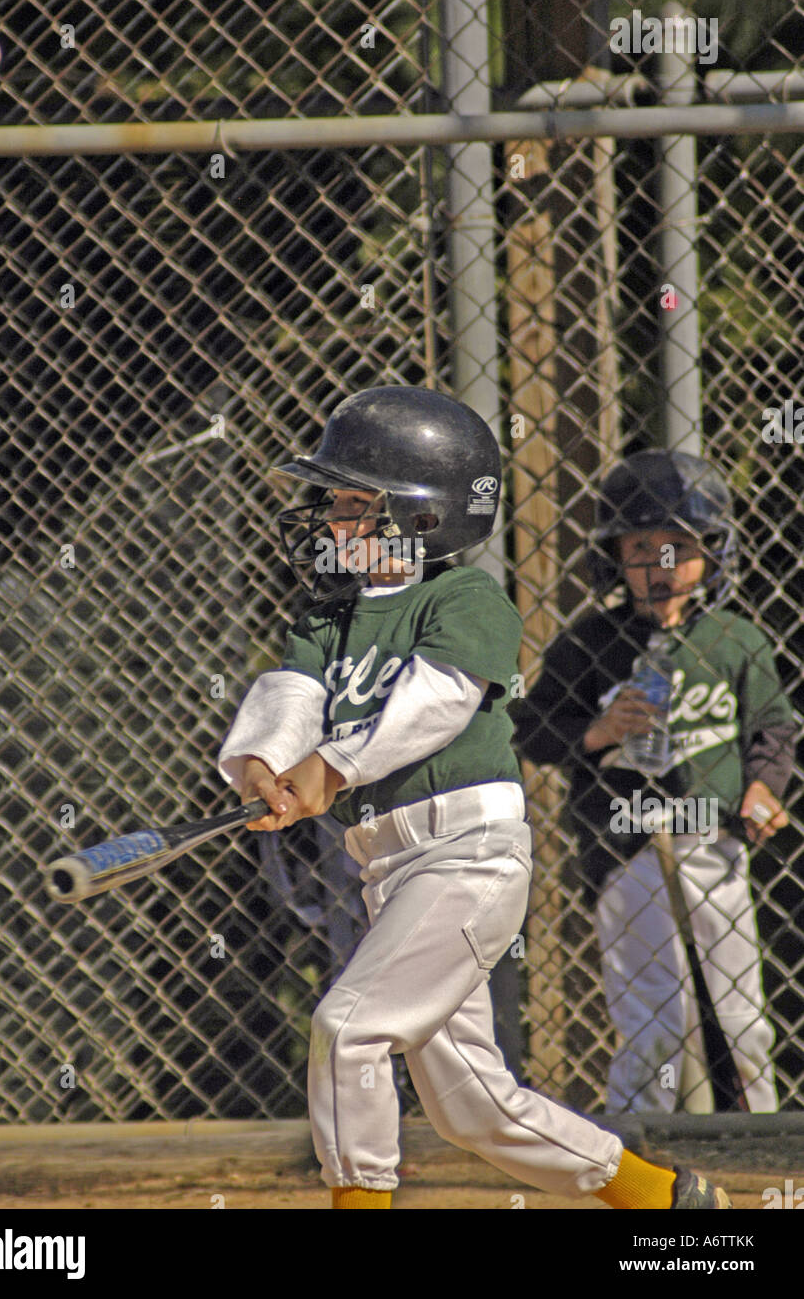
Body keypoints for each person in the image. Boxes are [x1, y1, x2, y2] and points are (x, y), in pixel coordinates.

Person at [218, 389, 732, 1207]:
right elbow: (289, 694)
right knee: (473, 1108)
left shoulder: (465, 599)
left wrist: (332, 768)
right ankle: (662, 1198)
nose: (329, 516)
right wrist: (259, 761)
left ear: (423, 516)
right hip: (390, 870)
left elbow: (437, 702)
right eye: (334, 499)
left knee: (347, 1029)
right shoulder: (329, 616)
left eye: (355, 500)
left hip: (467, 857)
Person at [514, 449, 795, 1114]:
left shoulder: (735, 639)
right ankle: (638, 1156)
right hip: (627, 848)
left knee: (742, 1019)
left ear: (714, 553)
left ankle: (762, 1154)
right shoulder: (588, 643)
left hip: (714, 841)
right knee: (656, 1025)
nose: (663, 566)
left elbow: (772, 730)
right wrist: (599, 734)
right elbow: (530, 727)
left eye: (681, 547)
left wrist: (762, 788)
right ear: (614, 555)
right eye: (643, 546)